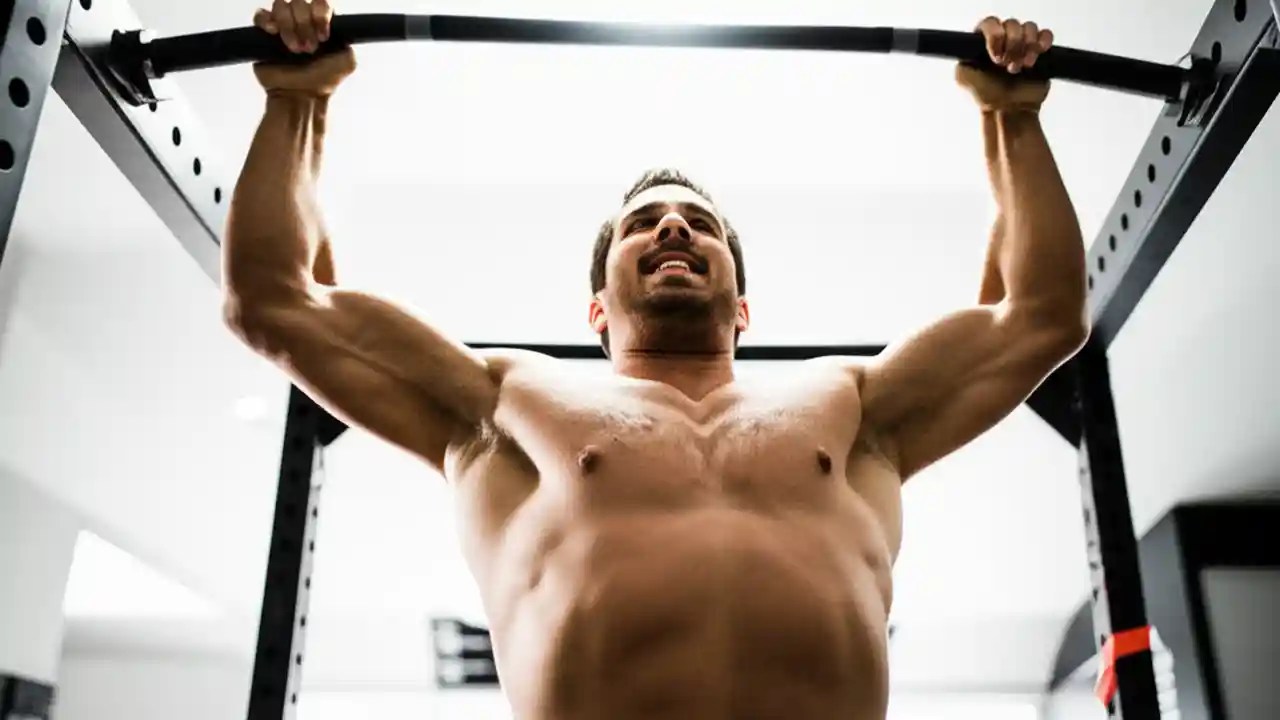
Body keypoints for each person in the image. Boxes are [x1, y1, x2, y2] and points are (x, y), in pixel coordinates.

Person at [223, 2, 1087, 718]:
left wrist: (1010, 116)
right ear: (596, 310)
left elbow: (1041, 317)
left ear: (743, 308)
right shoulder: (505, 405)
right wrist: (300, 97)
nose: (674, 227)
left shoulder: (853, 406)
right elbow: (275, 301)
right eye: (644, 223)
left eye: (699, 224)